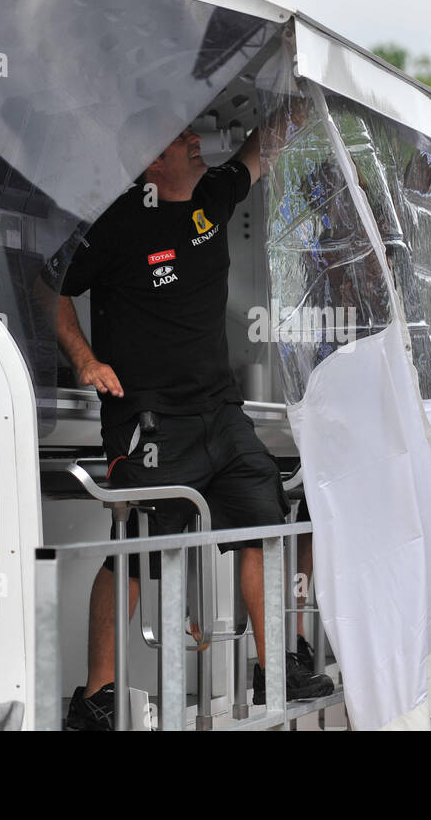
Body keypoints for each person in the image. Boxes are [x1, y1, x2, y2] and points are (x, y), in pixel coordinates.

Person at [52, 122, 332, 730]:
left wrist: (288, 77)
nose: (195, 141)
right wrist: (85, 360)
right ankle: (97, 696)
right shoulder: (119, 223)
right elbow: (52, 287)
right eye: (180, 139)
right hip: (146, 418)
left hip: (220, 411)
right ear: (152, 161)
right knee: (136, 551)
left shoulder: (213, 195)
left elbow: (261, 150)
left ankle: (272, 669)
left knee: (263, 518)